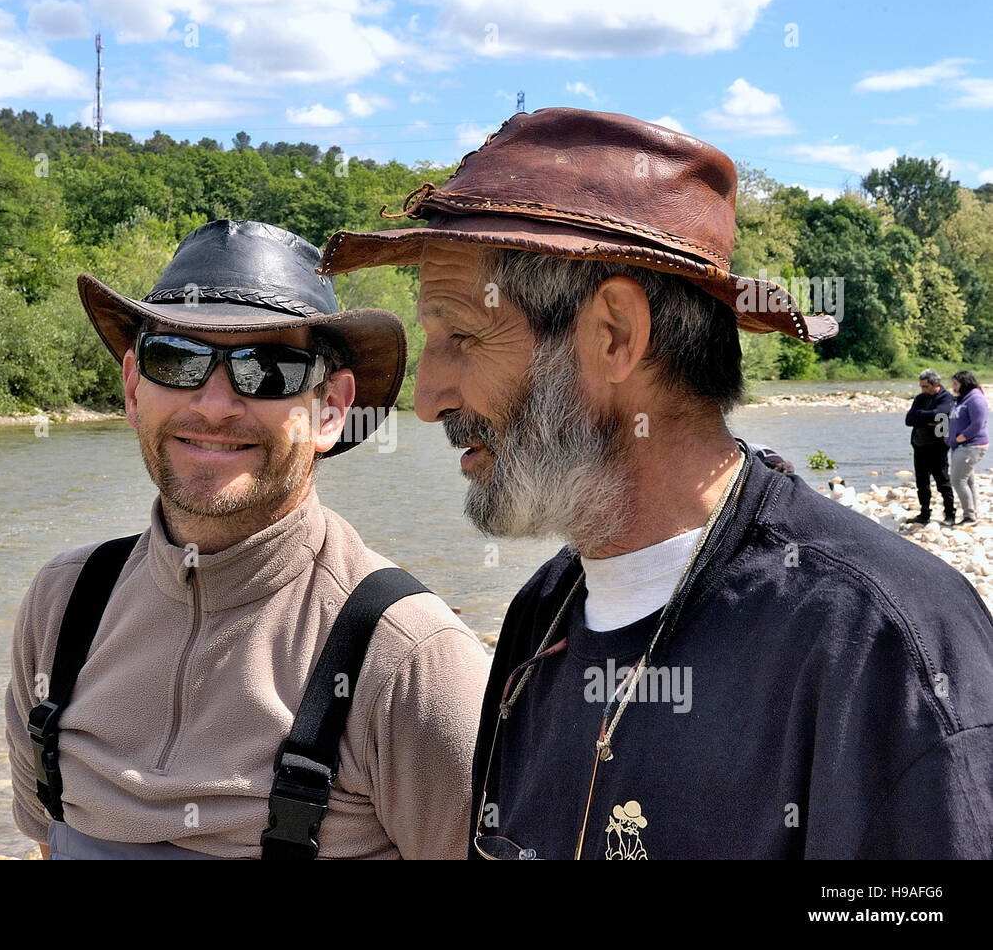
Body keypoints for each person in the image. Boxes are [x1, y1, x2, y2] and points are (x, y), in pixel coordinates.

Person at [318, 107, 993, 858]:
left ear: (613, 334)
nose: (428, 398)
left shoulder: (881, 645)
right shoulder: (539, 619)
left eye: (463, 338)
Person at [4, 220, 490, 860]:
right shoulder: (61, 608)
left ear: (331, 409)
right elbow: (46, 840)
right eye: (176, 359)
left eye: (267, 369)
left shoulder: (409, 662)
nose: (213, 405)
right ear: (131, 387)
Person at [904, 368, 956, 526]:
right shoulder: (920, 398)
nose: (923, 390)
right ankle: (924, 513)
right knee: (922, 482)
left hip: (937, 447)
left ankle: (950, 514)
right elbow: (908, 419)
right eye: (921, 386)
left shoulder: (946, 397)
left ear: (936, 384)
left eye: (926, 386)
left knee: (942, 481)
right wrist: (926, 417)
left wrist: (921, 416)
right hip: (919, 445)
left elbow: (940, 414)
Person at [946, 369, 988, 526]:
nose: (953, 387)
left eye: (955, 384)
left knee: (957, 480)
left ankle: (969, 517)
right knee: (968, 480)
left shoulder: (976, 399)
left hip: (971, 446)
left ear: (964, 384)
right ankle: (972, 514)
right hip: (960, 445)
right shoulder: (963, 399)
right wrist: (948, 438)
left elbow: (977, 424)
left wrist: (960, 437)